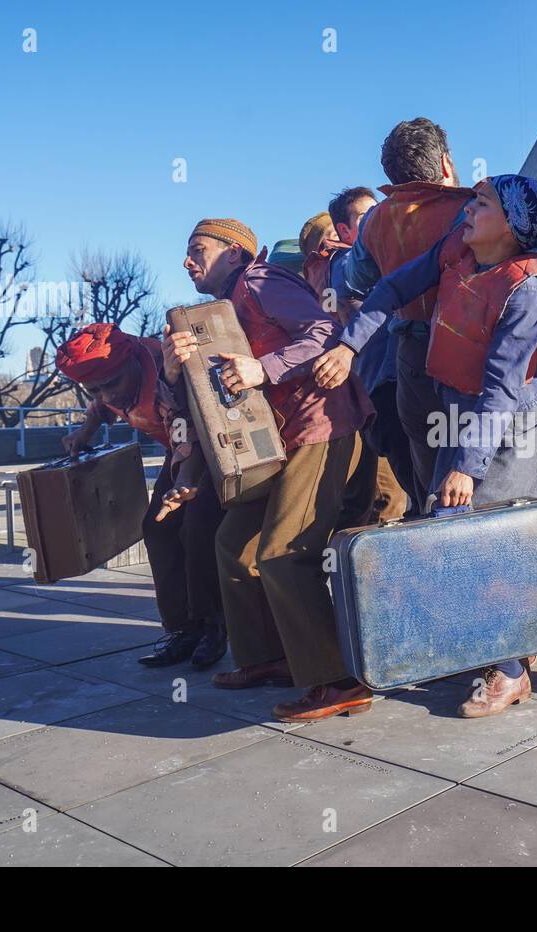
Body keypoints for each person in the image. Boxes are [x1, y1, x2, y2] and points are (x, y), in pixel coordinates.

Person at [315, 174, 537, 718]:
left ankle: (512, 671)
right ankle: (490, 649)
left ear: (515, 227)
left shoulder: (529, 290)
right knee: (452, 528)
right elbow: (390, 290)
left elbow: (501, 388)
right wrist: (350, 346)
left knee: (489, 536)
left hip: (506, 424)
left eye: (483, 204)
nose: (469, 210)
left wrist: (467, 468)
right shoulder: (455, 251)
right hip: (457, 407)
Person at [164, 218, 377, 723]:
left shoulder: (260, 281)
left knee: (283, 553)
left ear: (236, 254)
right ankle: (271, 658)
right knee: (233, 545)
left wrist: (264, 367)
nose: (188, 261)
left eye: (199, 249)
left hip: (320, 426)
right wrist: (176, 371)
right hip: (278, 440)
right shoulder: (216, 310)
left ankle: (338, 681)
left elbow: (326, 332)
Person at [56, 321, 227, 670]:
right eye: (94, 390)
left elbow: (191, 431)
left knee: (196, 528)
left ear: (132, 363)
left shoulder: (164, 375)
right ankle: (183, 628)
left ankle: (214, 625)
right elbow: (102, 407)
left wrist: (188, 482)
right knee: (158, 528)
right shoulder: (112, 384)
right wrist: (84, 432)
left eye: (111, 384)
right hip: (177, 452)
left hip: (210, 449)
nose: (108, 395)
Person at [338, 119, 475, 511]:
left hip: (411, 362)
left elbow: (357, 279)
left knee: (430, 484)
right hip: (470, 357)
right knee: (476, 479)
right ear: (446, 163)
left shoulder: (376, 220)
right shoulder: (475, 208)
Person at [300, 193, 409, 527]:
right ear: (338, 235)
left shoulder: (330, 271)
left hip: (360, 394)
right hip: (375, 390)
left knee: (368, 495)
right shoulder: (339, 265)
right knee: (389, 495)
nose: (378, 218)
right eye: (368, 215)